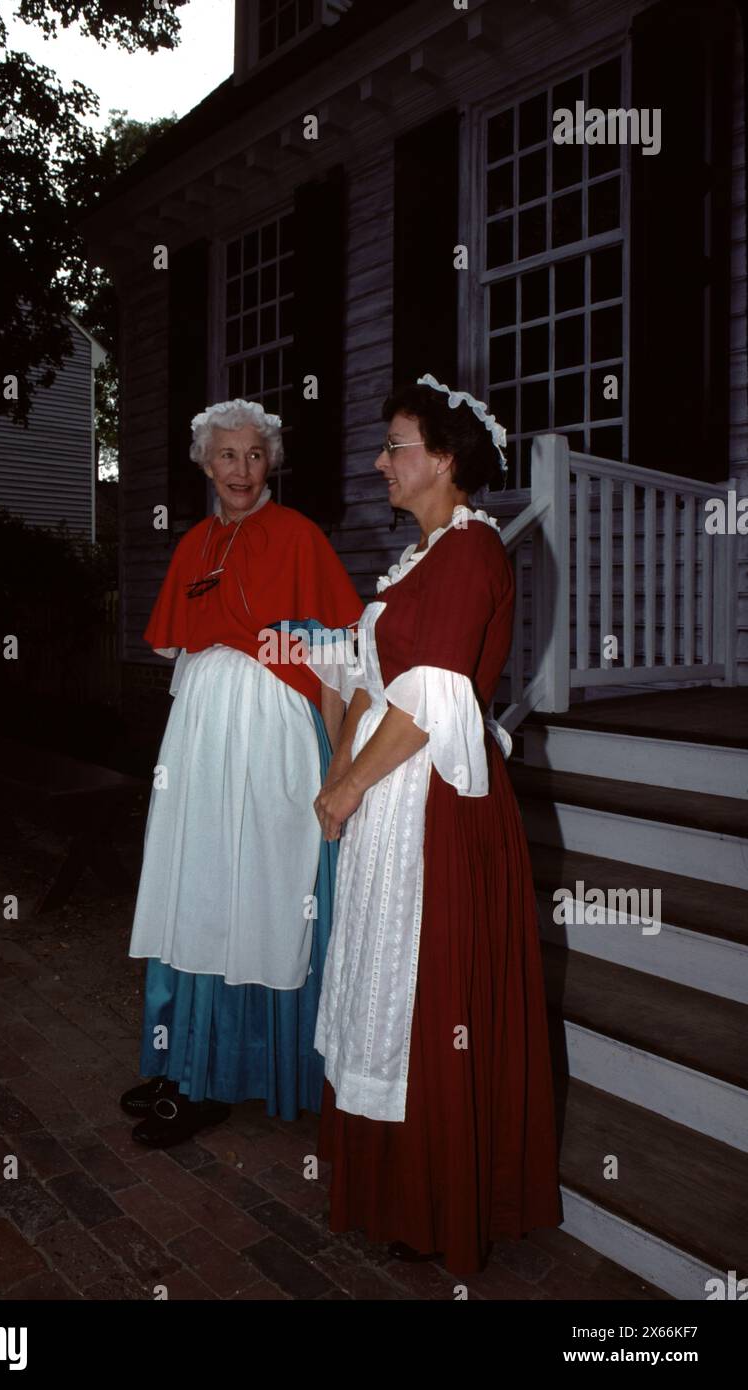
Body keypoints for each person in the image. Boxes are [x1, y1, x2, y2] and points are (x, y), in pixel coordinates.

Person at [311, 373, 562, 1274]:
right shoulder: (416, 562)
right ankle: (389, 1189)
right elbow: (362, 685)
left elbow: (433, 701)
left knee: (434, 1002)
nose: (381, 462)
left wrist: (347, 792)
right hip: (389, 806)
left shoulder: (471, 555)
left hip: (440, 817)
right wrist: (336, 777)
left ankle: (438, 1199)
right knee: (386, 992)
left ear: (444, 461)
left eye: (396, 446)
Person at [120, 398, 363, 1148]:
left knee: (264, 890)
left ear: (271, 463)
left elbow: (338, 668)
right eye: (227, 455)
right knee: (198, 883)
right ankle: (186, 1060)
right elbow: (183, 653)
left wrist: (334, 767)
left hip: (274, 739)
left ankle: (241, 1072)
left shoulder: (300, 537)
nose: (241, 469)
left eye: (255, 455)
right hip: (200, 737)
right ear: (205, 462)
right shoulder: (193, 542)